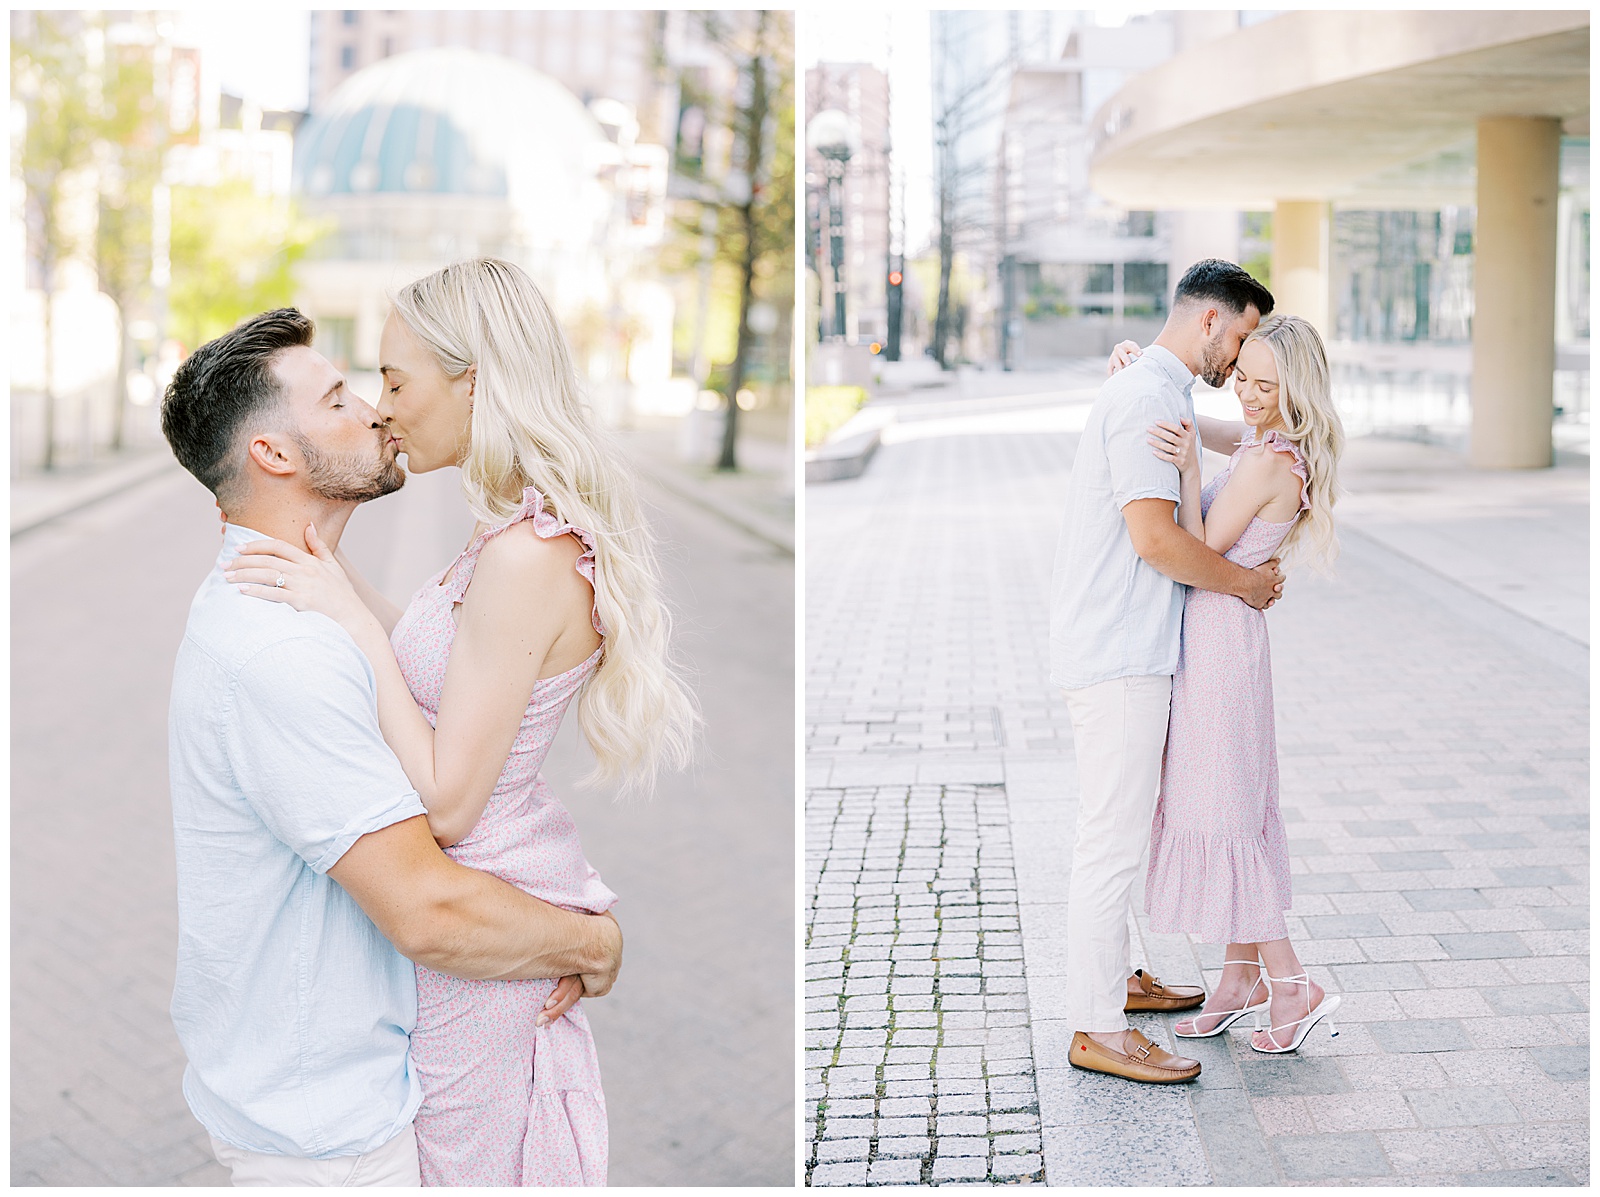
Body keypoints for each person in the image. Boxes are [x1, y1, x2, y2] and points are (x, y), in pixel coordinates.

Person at [224, 259, 697, 1185]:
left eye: (398, 382)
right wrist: (328, 564)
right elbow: (447, 671)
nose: (383, 408)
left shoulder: (526, 555)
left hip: (476, 929)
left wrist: (351, 621)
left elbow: (447, 801)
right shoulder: (511, 530)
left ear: (473, 379)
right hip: (481, 910)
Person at [1048, 259, 1283, 1084]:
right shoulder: (1149, 395)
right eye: (1244, 336)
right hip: (1119, 653)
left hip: (1126, 647)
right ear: (1213, 321)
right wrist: (1248, 584)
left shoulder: (1157, 387)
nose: (1241, 359)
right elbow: (1156, 538)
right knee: (1110, 839)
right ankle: (1096, 1026)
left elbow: (1232, 448)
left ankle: (1114, 979)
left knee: (1118, 828)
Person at [1115, 313, 1345, 1053]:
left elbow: (1200, 543)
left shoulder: (1265, 462)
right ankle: (1238, 979)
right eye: (1241, 377)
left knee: (1221, 810)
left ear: (1293, 390)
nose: (1245, 394)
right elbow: (1219, 428)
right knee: (1234, 802)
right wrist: (1146, 374)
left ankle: (1290, 981)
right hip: (1227, 637)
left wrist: (1183, 468)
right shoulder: (1272, 444)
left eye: (1262, 386)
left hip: (1218, 638)